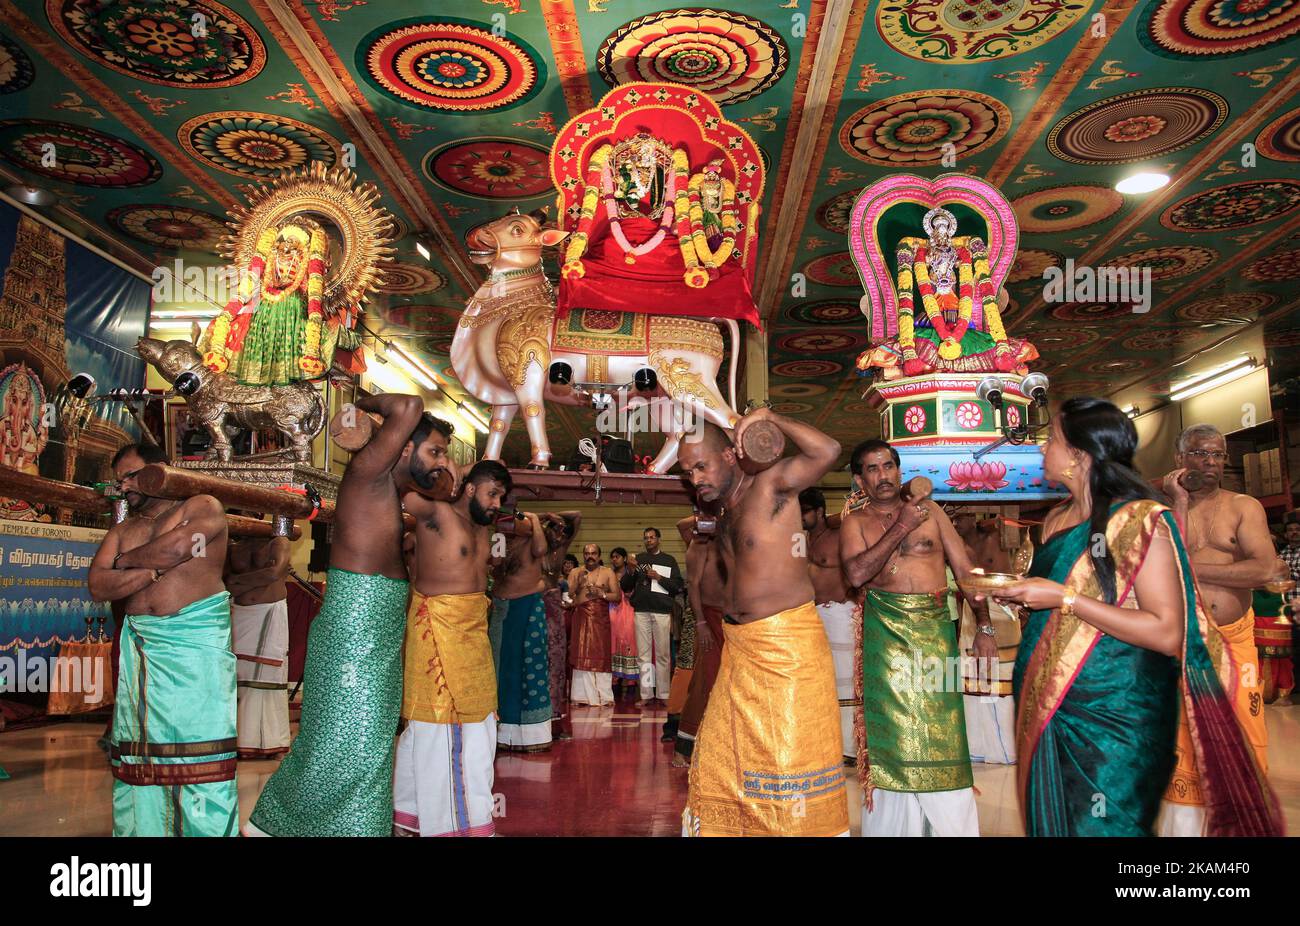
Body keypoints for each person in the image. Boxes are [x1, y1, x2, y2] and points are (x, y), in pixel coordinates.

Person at [998, 398, 1280, 836]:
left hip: (1116, 709)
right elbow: (1056, 603)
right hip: (1052, 701)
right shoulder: (1055, 520)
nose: (1041, 449)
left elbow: (1168, 631)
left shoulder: (1140, 519)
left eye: (1049, 439)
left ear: (1078, 453)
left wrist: (1067, 599)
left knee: (1104, 824)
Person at [247, 395, 427, 837]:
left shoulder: (387, 489)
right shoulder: (368, 471)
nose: (440, 462)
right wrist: (361, 401)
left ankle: (286, 822)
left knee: (357, 744)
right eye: (434, 451)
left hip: (371, 631)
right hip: (354, 627)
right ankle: (288, 823)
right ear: (401, 446)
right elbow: (410, 405)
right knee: (356, 744)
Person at [678, 411, 848, 837]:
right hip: (740, 650)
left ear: (732, 455)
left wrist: (768, 416)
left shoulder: (773, 485)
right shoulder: (722, 511)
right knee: (720, 754)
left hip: (788, 649)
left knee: (788, 764)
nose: (695, 478)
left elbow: (828, 450)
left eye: (702, 465)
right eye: (687, 472)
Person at [840, 439, 994, 837]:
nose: (883, 475)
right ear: (860, 480)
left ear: (899, 470)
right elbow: (857, 574)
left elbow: (965, 571)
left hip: (935, 636)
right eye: (872, 469)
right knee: (891, 739)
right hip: (884, 642)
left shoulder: (934, 514)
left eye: (888, 466)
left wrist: (985, 626)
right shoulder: (855, 522)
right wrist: (902, 525)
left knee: (944, 734)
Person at [88, 443, 236, 836]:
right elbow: (98, 585)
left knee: (200, 754)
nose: (124, 486)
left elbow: (182, 547)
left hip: (194, 648)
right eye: (119, 479)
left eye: (132, 475)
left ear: (161, 471)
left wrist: (125, 562)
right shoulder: (123, 530)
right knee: (141, 756)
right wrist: (149, 572)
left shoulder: (202, 506)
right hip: (142, 650)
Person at [1156, 423, 1282, 836]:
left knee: (1242, 736)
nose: (1210, 463)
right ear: (1180, 459)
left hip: (1233, 642)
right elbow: (1159, 566)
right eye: (1199, 454)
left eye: (1217, 455)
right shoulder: (1160, 507)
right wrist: (1177, 501)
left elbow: (1264, 570)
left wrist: (1191, 569)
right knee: (1182, 741)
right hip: (1180, 640)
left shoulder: (1244, 506)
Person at [395, 455, 511, 836]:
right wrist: (450, 477)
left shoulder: (482, 529)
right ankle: (454, 826)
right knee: (443, 732)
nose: (497, 504)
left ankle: (410, 818)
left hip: (474, 636)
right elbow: (405, 493)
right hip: (438, 638)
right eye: (492, 494)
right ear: (471, 488)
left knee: (477, 730)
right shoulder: (438, 514)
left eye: (501, 498)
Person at [952, 511, 1023, 765]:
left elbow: (1010, 580)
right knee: (973, 678)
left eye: (960, 518)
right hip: (974, 612)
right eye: (953, 519)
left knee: (999, 680)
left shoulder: (994, 539)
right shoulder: (956, 545)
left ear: (973, 517)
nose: (955, 523)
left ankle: (1005, 750)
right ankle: (978, 748)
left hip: (1000, 611)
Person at [489, 507, 555, 752]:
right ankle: (503, 733)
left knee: (529, 668)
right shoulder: (501, 538)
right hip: (501, 607)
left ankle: (530, 735)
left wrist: (538, 517)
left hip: (527, 606)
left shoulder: (533, 541)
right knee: (501, 668)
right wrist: (501, 539)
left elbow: (541, 550)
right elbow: (494, 563)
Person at [800, 487, 858, 763]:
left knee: (845, 680)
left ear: (820, 511)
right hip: (813, 616)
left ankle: (849, 747)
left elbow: (856, 569)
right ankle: (825, 741)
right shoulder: (804, 539)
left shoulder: (838, 535)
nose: (800, 517)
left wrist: (850, 599)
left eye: (805, 512)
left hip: (839, 613)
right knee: (820, 679)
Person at [225, 531, 292, 759]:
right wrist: (258, 577)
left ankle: (272, 744)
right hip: (239, 613)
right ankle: (238, 742)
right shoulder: (231, 544)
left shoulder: (278, 542)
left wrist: (239, 580)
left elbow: (275, 574)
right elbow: (224, 582)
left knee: (266, 677)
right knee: (236, 676)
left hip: (268, 612)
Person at [673, 513, 725, 767]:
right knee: (704, 681)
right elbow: (693, 585)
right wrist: (702, 623)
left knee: (733, 686)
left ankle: (722, 748)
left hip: (737, 624)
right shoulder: (700, 544)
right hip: (708, 620)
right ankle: (684, 748)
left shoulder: (736, 541)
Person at [621, 527, 684, 705]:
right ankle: (646, 694)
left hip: (661, 611)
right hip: (641, 611)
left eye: (652, 537)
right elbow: (625, 586)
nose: (648, 540)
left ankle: (664, 694)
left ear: (659, 539)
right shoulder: (638, 559)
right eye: (646, 538)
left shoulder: (668, 560)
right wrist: (631, 571)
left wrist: (659, 578)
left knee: (663, 654)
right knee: (643, 655)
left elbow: (678, 586)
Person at [539, 512, 582, 739]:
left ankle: (555, 722)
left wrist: (554, 517)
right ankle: (535, 722)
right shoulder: (534, 548)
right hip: (533, 602)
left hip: (553, 605)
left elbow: (578, 516)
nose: (556, 534)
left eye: (559, 530)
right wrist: (544, 517)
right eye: (552, 530)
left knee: (556, 664)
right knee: (536, 663)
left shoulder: (560, 550)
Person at [568, 544, 620, 706]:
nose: (590, 556)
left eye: (593, 553)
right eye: (587, 553)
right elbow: (569, 596)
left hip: (600, 618)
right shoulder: (575, 572)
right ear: (583, 555)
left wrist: (602, 594)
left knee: (601, 653)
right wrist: (579, 582)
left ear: (599, 555)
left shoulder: (608, 572)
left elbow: (617, 596)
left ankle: (604, 696)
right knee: (581, 651)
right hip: (581, 616)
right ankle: (581, 696)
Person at [608, 547, 641, 699]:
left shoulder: (633, 574)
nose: (615, 559)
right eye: (613, 557)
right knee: (614, 644)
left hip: (629, 611)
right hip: (613, 612)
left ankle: (631, 686)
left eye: (618, 556)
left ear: (624, 558)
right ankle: (615, 684)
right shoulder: (609, 574)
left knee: (630, 644)